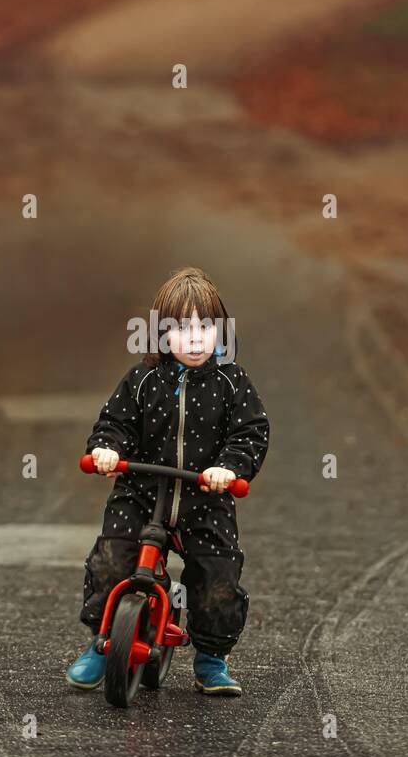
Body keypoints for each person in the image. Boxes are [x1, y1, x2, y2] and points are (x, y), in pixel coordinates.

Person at [67, 267, 270, 696]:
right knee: (111, 557)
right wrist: (107, 449)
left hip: (205, 495)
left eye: (205, 328)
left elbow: (250, 432)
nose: (195, 339)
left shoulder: (232, 383)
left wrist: (229, 469)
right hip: (141, 490)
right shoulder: (142, 380)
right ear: (161, 334)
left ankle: (212, 657)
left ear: (221, 332)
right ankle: (104, 642)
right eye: (182, 329)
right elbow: (115, 422)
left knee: (218, 574)